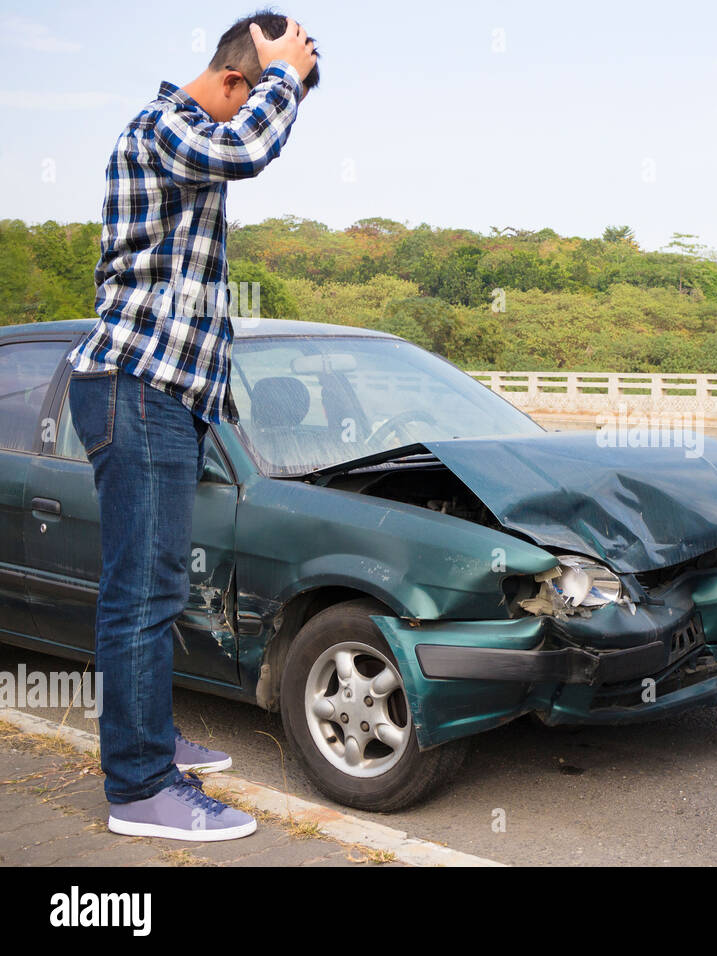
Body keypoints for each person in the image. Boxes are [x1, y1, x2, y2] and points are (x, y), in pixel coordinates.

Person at [63, 12, 319, 841]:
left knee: (156, 586)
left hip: (162, 394)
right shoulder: (166, 123)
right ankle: (139, 787)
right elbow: (243, 148)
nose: (271, 113)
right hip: (137, 389)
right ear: (239, 83)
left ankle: (150, 739)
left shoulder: (186, 144)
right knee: (141, 592)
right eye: (266, 93)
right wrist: (284, 71)